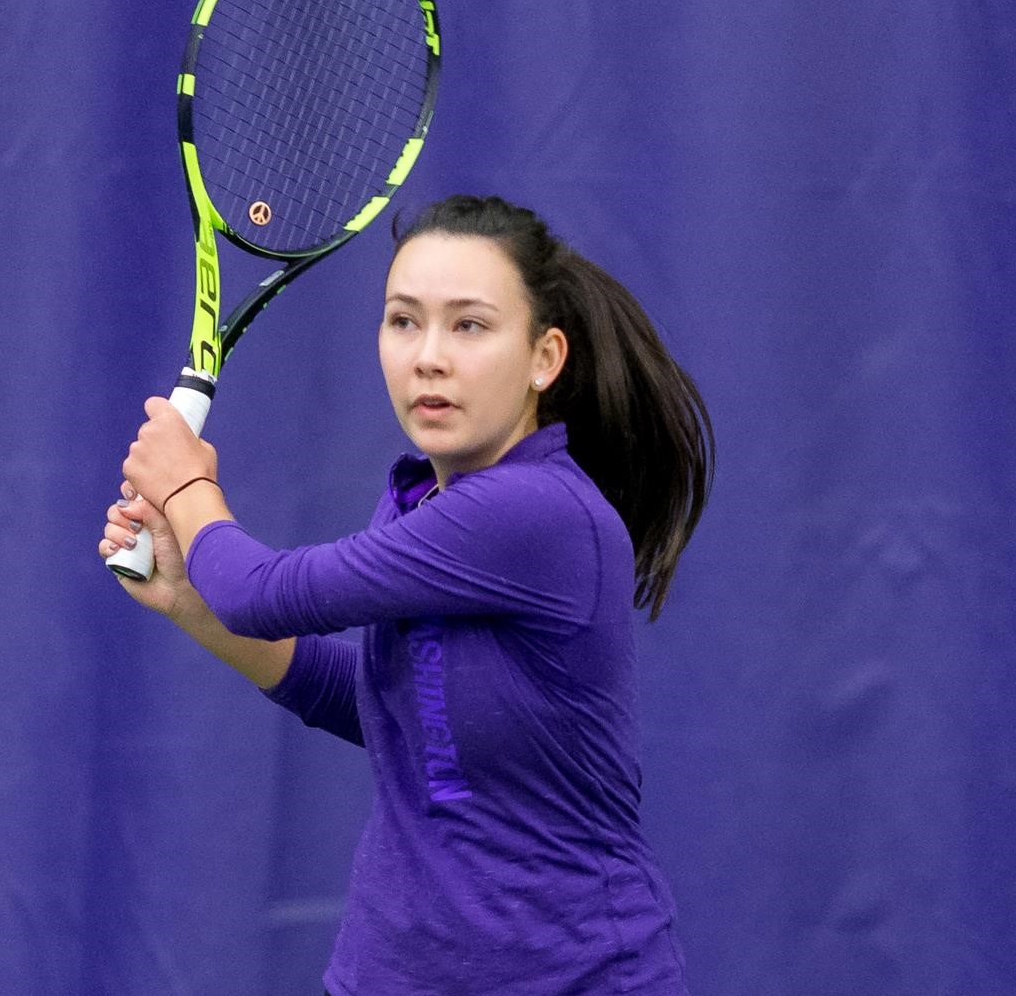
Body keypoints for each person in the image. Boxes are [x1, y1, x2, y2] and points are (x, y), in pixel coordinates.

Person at [100, 194, 712, 995]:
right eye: (403, 321)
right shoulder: (420, 497)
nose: (428, 356)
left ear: (545, 357)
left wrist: (181, 481)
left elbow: (259, 591)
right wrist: (190, 600)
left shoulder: (535, 513)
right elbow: (383, 704)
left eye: (469, 325)